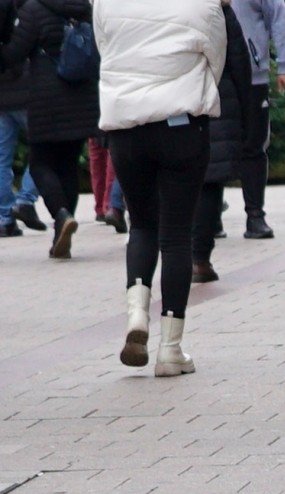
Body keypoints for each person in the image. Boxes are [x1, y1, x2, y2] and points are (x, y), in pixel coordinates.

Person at [95, 0, 226, 376]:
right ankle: (170, 349)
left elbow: (107, 49)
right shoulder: (204, 5)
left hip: (126, 127)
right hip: (181, 124)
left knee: (142, 225)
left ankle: (137, 313)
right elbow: (214, 60)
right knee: (176, 236)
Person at [0, 0, 100, 259]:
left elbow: (14, 53)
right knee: (66, 165)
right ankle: (61, 231)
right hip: (82, 98)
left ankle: (61, 215)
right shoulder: (84, 7)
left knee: (40, 163)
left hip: (48, 100)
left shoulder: (34, 9)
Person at [192, 0, 254, 285]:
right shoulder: (218, 9)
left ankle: (177, 255)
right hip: (216, 102)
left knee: (173, 183)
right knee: (209, 183)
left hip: (170, 104)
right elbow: (240, 63)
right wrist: (247, 114)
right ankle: (200, 258)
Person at [232, 0, 285, 239]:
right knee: (208, 146)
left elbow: (278, 14)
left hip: (252, 73)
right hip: (210, 74)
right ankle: (209, 219)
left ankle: (255, 215)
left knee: (254, 144)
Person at [0, 0, 46, 238]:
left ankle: (4, 217)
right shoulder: (28, 9)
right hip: (27, 92)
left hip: (2, 96)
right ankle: (25, 200)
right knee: (45, 149)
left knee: (0, 158)